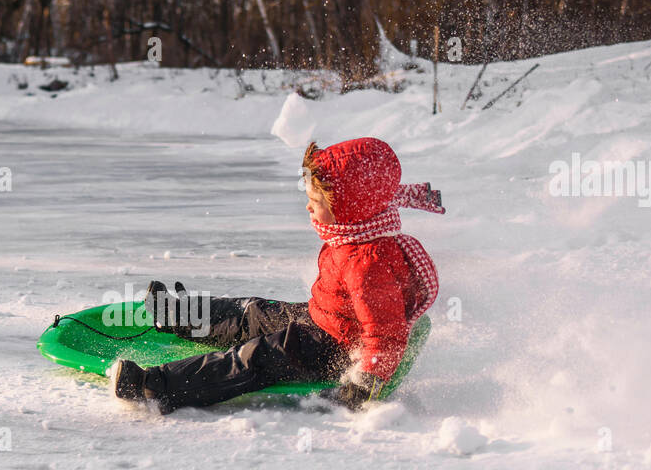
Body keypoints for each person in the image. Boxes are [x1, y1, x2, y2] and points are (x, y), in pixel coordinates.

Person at [108, 137, 443, 414]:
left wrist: (364, 383)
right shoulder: (363, 222)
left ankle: (154, 386)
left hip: (335, 346)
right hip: (323, 318)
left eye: (316, 200)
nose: (309, 207)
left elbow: (385, 334)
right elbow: (383, 191)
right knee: (252, 311)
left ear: (347, 208)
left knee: (257, 357)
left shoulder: (366, 262)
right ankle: (177, 314)